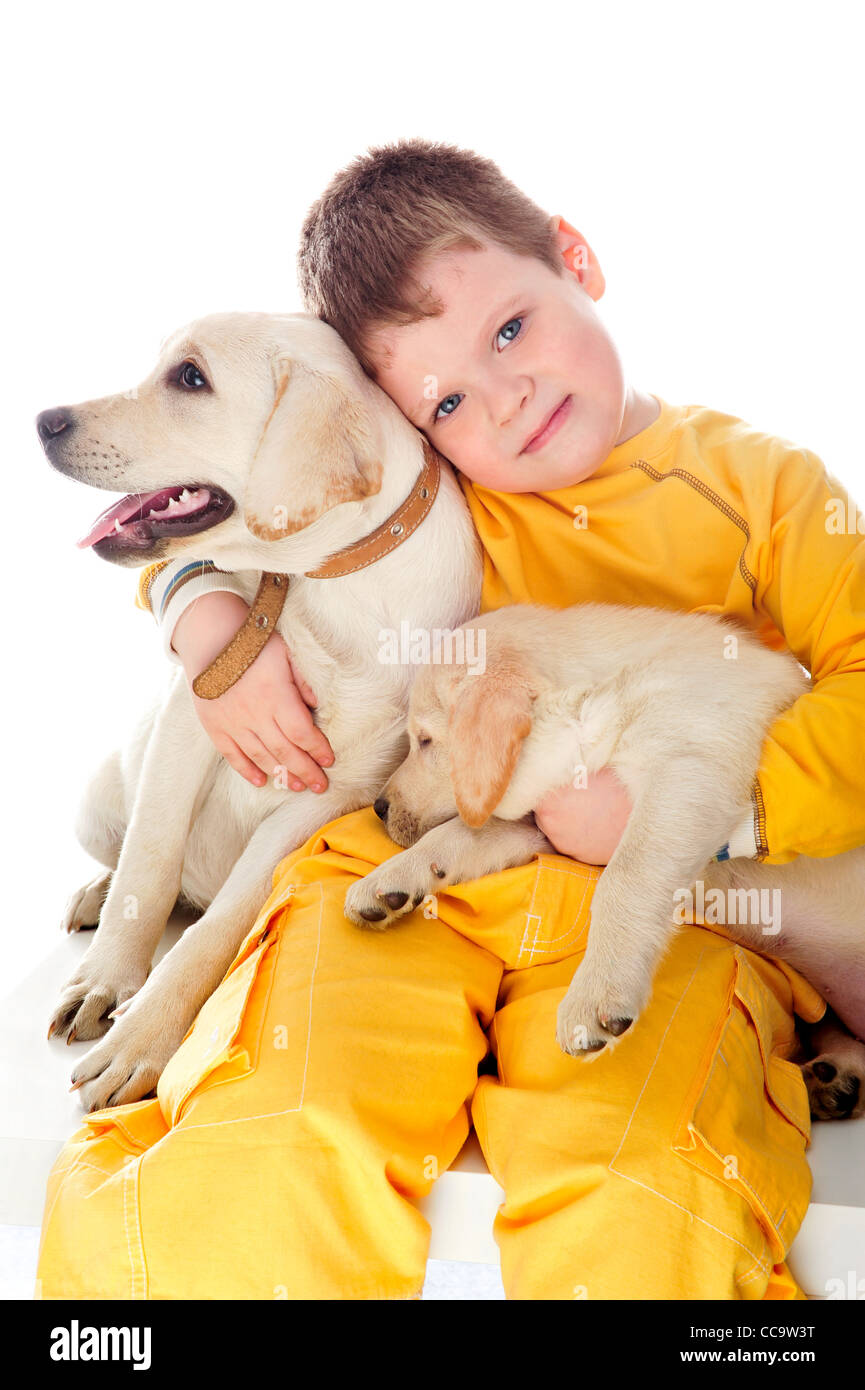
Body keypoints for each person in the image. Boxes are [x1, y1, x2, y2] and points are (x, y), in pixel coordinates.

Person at [37, 139, 865, 1300]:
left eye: (513, 328)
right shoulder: (430, 486)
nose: (505, 396)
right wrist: (206, 619)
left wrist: (714, 816)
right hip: (391, 870)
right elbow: (213, 492)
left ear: (574, 256)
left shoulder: (765, 486)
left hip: (664, 910)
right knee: (272, 1130)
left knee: (639, 1182)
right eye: (448, 397)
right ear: (402, 418)